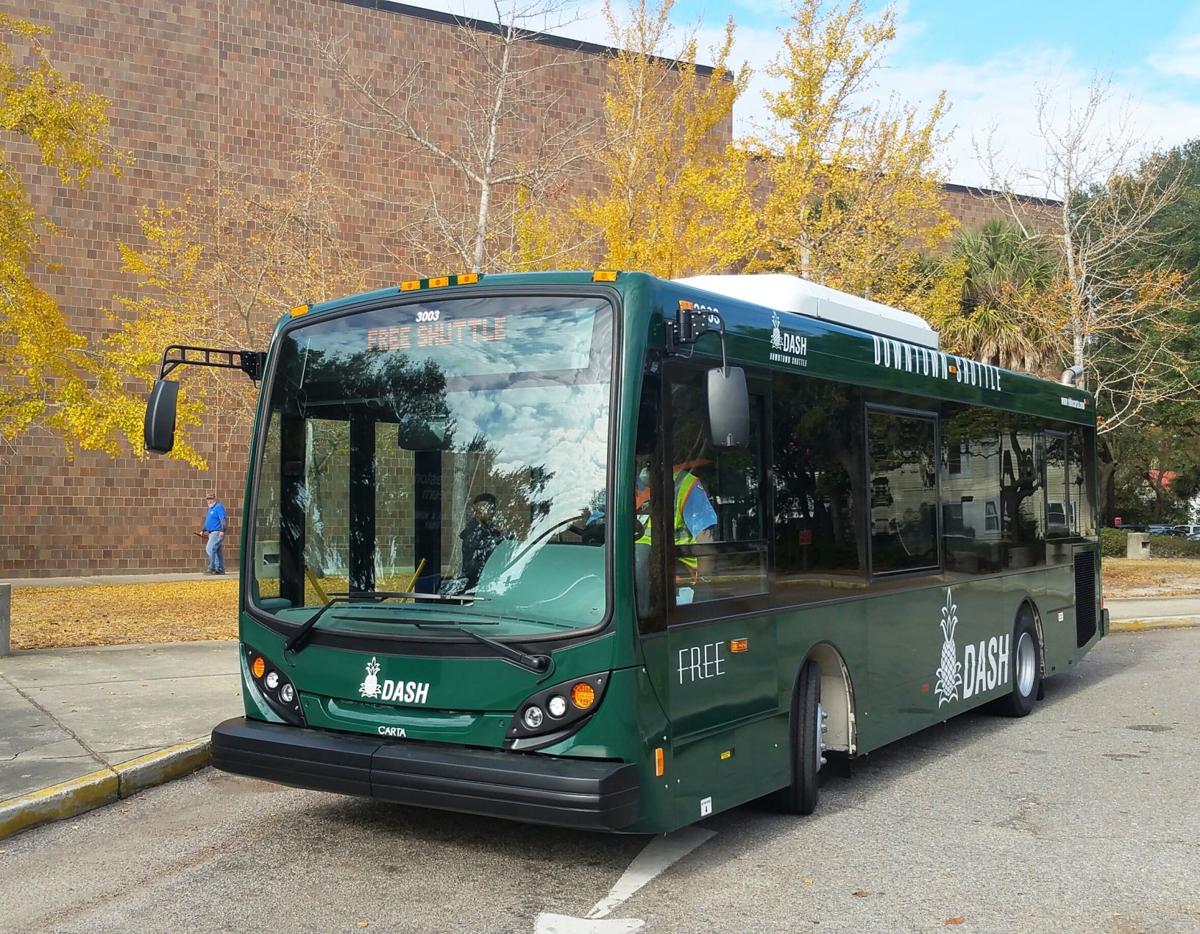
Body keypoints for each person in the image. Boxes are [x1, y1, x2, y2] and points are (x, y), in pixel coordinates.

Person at [635, 464, 719, 604]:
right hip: (634, 575)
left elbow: (706, 542)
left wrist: (704, 583)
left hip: (677, 578)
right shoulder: (622, 484)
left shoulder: (685, 484)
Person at [459, 493, 505, 588]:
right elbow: (474, 566)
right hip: (478, 585)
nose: (492, 512)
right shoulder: (473, 532)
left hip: (491, 582)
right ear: (476, 509)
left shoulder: (490, 529)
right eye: (488, 508)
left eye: (493, 509)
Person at [201, 492, 228, 575]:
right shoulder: (210, 509)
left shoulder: (218, 507)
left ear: (214, 499)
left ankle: (212, 568)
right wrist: (203, 530)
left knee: (210, 549)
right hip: (211, 533)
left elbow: (223, 519)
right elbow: (208, 521)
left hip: (217, 532)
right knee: (217, 551)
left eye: (211, 499)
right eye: (208, 499)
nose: (209, 501)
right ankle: (220, 569)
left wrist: (223, 530)